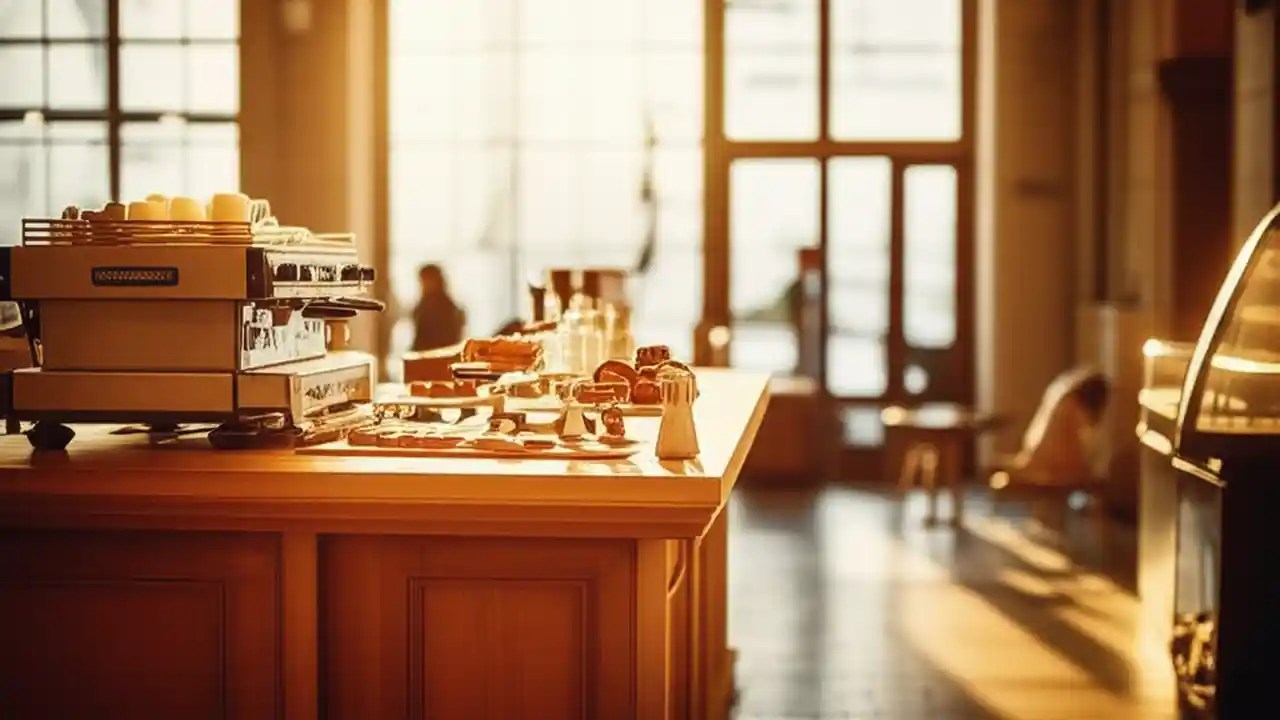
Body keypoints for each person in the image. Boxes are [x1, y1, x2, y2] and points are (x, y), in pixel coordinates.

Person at [1009, 367, 1111, 485]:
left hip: (1041, 462)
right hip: (1051, 474)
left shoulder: (1061, 395)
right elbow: (1070, 456)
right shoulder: (1070, 406)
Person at [411, 264, 465, 352]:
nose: (423, 285)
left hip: (440, 355)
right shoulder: (422, 306)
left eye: (426, 280)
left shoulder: (447, 309)